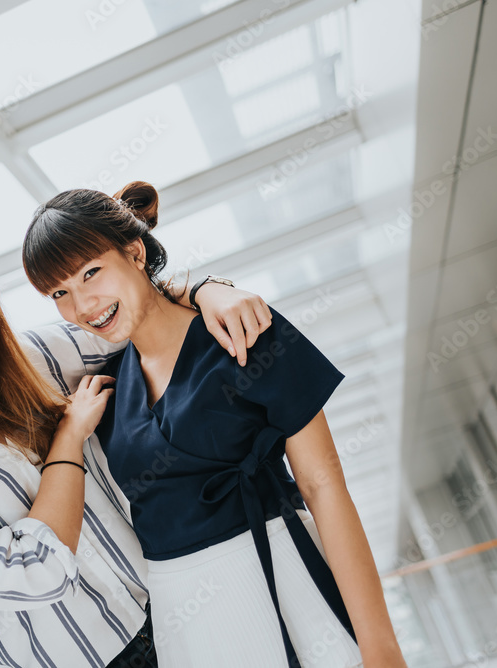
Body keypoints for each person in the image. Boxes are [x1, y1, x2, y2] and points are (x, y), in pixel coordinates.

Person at [21, 182, 407, 667]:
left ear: (135, 253)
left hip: (284, 574)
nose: (82, 306)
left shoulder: (244, 331)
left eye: (92, 272)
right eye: (60, 292)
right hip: (183, 618)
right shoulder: (103, 393)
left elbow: (323, 485)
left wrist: (381, 647)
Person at [0, 232, 272, 667]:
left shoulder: (33, 363)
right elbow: (35, 572)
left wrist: (209, 288)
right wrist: (69, 436)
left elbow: (135, 314)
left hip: (171, 608)